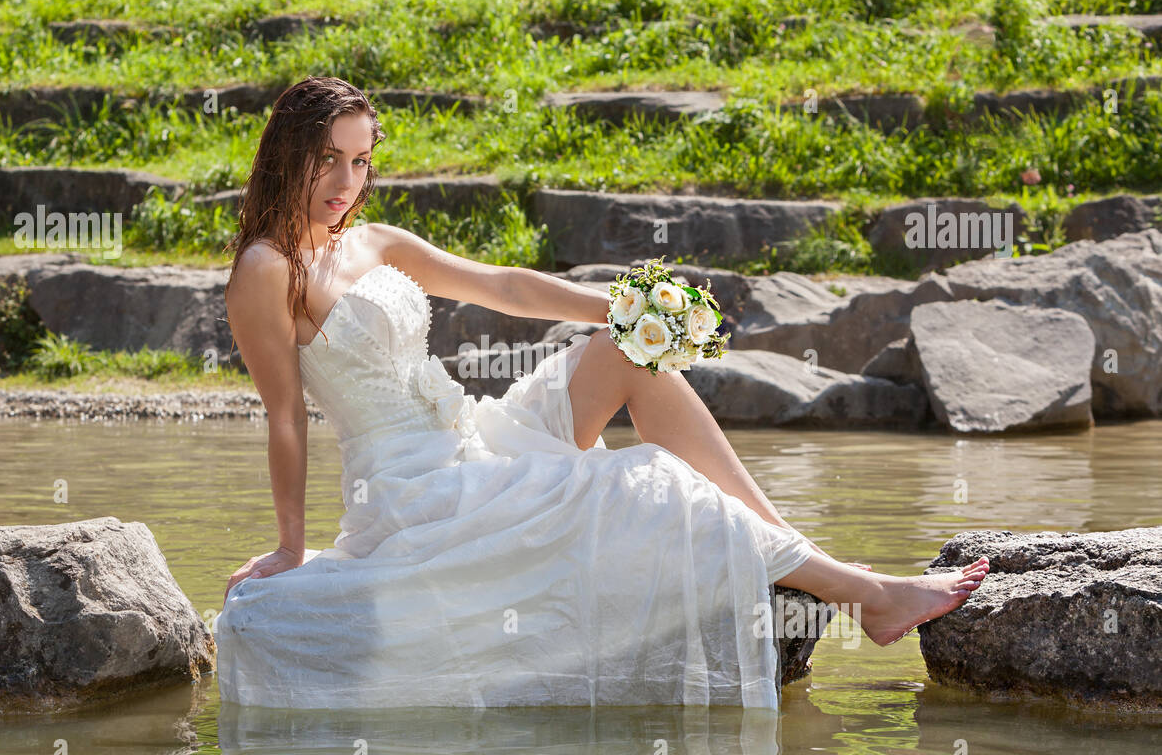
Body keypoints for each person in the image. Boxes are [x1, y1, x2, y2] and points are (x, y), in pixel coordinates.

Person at [214, 76, 990, 710]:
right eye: (327, 160)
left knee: (629, 353)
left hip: (475, 436)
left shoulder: (372, 241)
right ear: (289, 154)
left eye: (359, 160)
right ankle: (863, 593)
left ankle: (805, 556)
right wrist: (290, 547)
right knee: (648, 488)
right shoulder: (265, 270)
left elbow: (502, 286)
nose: (345, 182)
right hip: (414, 486)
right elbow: (285, 418)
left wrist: (632, 305)